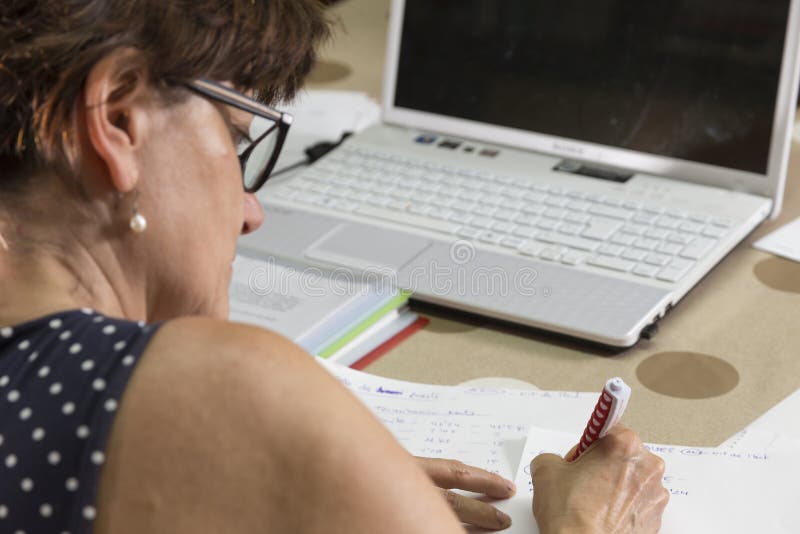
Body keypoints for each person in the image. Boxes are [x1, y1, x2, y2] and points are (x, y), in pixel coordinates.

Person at [0, 1, 669, 532]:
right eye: (240, 141)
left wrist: (300, 472)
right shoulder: (228, 383)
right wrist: (591, 524)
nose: (251, 211)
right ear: (117, 116)